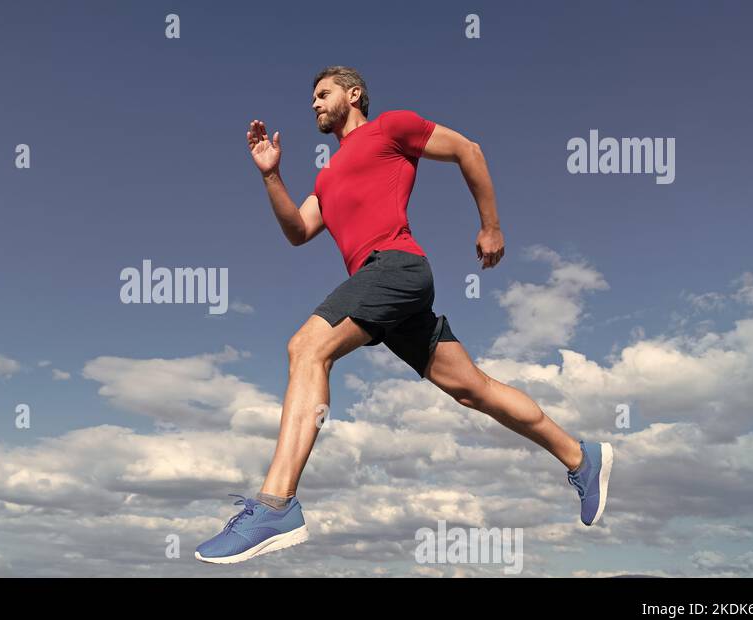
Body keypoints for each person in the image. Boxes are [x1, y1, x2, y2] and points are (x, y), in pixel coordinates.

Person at [194, 66, 612, 565]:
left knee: (306, 347)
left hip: (396, 267)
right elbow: (299, 230)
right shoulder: (327, 177)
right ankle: (581, 458)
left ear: (354, 94)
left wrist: (491, 226)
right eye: (312, 98)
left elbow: (468, 150)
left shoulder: (390, 128)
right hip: (386, 294)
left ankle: (275, 503)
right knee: (471, 388)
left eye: (323, 94)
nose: (314, 105)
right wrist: (271, 175)